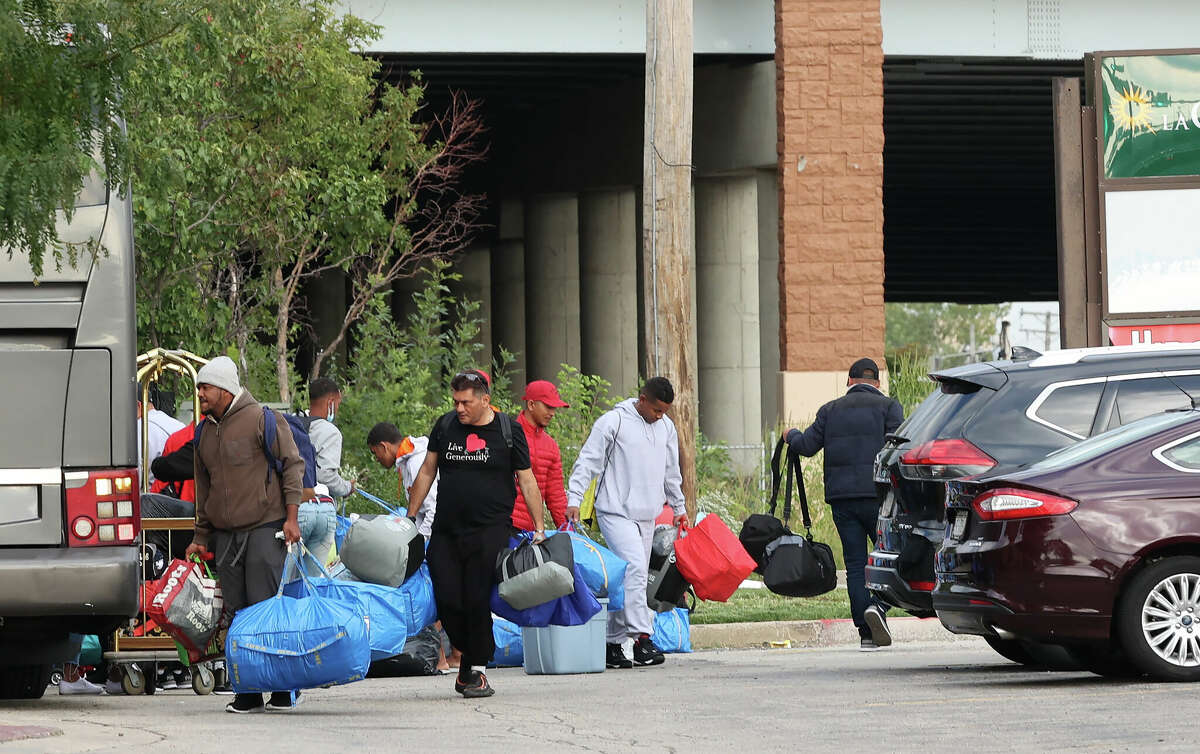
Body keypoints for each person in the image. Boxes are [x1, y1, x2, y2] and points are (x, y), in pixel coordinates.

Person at [406, 369, 547, 699]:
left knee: (475, 598)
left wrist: (539, 528)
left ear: (485, 400)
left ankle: (477, 669)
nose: (459, 408)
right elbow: (427, 470)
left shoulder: (508, 430)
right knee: (447, 598)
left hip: (490, 529)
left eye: (465, 402)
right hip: (446, 528)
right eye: (455, 401)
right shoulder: (445, 426)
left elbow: (527, 480)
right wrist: (410, 516)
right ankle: (470, 656)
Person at [182, 355, 306, 713]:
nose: (200, 393)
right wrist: (200, 536)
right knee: (236, 613)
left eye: (205, 387)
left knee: (266, 610)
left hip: (266, 529)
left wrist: (292, 518)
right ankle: (249, 692)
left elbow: (293, 465)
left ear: (223, 389)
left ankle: (282, 689)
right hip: (225, 536)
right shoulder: (204, 431)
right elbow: (204, 489)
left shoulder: (263, 419)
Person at [566, 376, 688, 670]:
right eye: (657, 410)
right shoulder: (613, 422)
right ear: (643, 400)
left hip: (647, 514)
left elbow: (672, 472)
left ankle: (611, 643)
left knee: (628, 578)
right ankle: (641, 637)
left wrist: (679, 507)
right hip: (614, 510)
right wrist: (574, 497)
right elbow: (589, 460)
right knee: (633, 567)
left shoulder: (666, 428)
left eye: (665, 412)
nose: (661, 417)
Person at [785, 357, 904, 652]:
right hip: (880, 498)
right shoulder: (889, 407)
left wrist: (791, 436)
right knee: (889, 557)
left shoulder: (830, 410)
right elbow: (901, 447)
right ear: (877, 383)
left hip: (842, 499)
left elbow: (807, 446)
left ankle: (865, 633)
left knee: (854, 564)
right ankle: (878, 608)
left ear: (849, 381)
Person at [511, 380, 569, 532]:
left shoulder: (551, 446)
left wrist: (569, 534)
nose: (552, 413)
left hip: (532, 532)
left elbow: (556, 495)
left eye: (555, 408)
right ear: (531, 405)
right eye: (548, 407)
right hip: (502, 527)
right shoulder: (506, 435)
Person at [366, 423, 438, 539]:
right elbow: (419, 511)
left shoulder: (416, 462)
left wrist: (420, 540)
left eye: (375, 453)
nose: (376, 459)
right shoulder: (405, 463)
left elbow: (434, 509)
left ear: (384, 446)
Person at [138, 399, 185, 484]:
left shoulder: (138, 427)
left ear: (138, 406)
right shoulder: (179, 424)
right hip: (181, 492)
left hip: (154, 492)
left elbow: (137, 477)